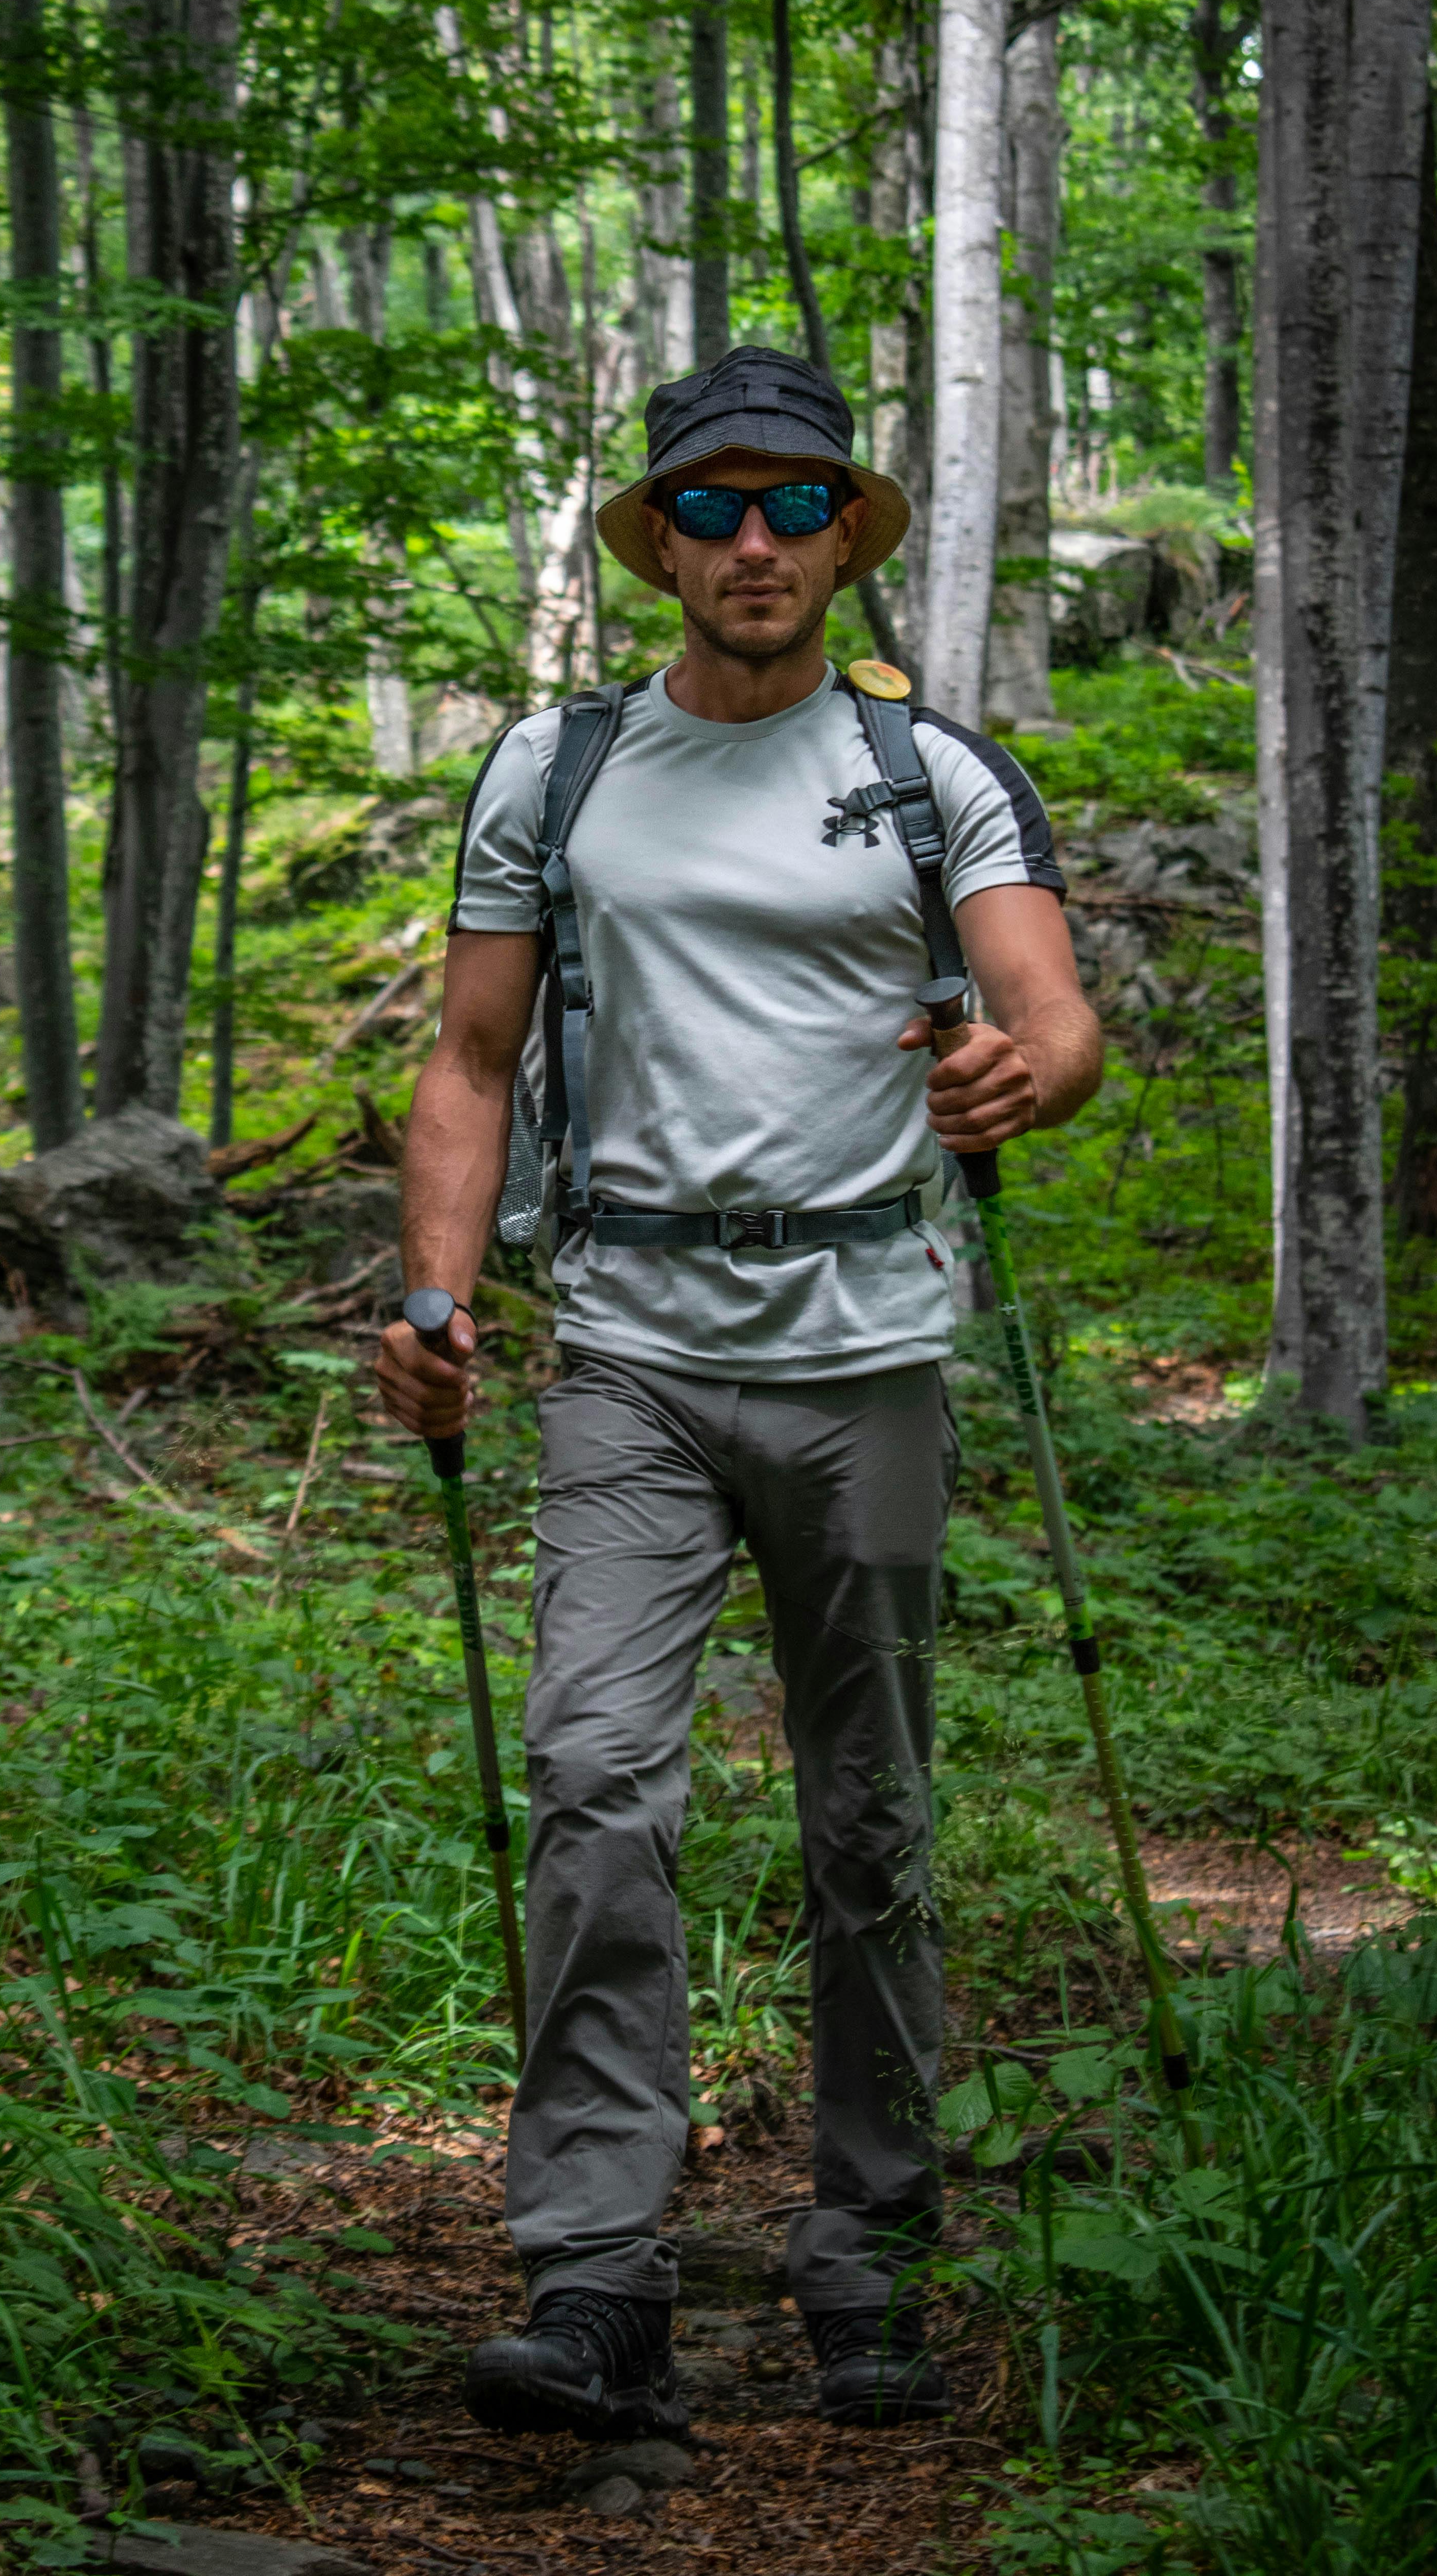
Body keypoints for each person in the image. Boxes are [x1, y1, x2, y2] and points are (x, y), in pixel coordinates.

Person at [375, 345, 1102, 2437]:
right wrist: (435, 1299)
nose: (754, 544)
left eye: (792, 509)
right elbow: (475, 1060)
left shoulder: (930, 775)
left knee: (866, 1821)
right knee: (598, 1788)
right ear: (659, 545)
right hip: (630, 1350)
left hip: (869, 1355)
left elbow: (1051, 1018)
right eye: (710, 511)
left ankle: (865, 2264)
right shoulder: (559, 768)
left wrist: (1012, 1075)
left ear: (846, 538)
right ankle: (597, 2270)